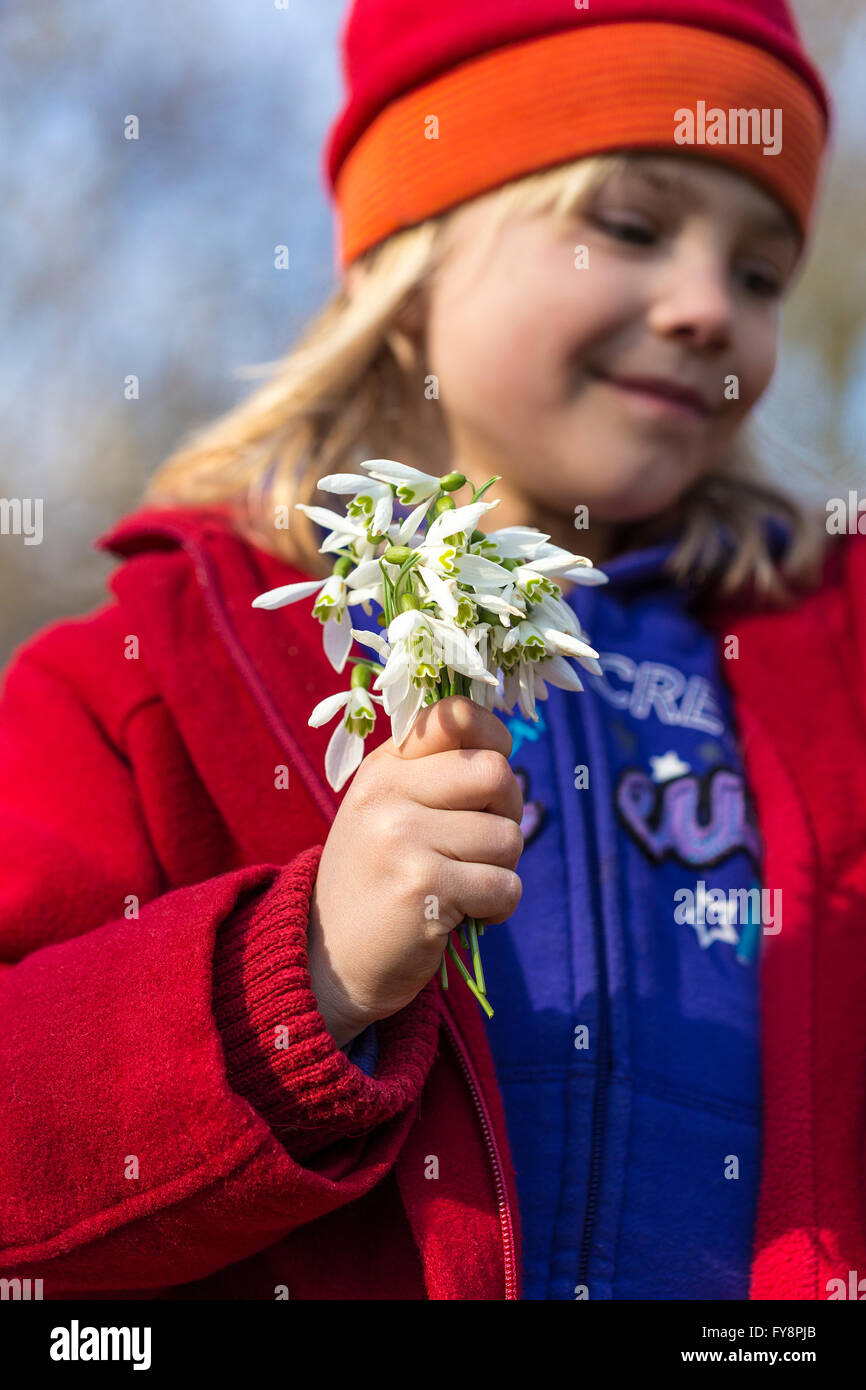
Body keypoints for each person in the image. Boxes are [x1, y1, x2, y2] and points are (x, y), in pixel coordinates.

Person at [2, 0, 863, 1301]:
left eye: (756, 274)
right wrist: (303, 970)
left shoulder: (828, 664)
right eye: (625, 227)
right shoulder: (151, 672)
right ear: (412, 267)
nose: (705, 309)